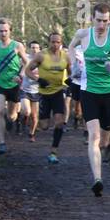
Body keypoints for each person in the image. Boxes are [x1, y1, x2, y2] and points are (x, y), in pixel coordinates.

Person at [67, 4, 110, 196]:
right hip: (88, 91)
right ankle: (97, 179)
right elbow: (71, 47)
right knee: (94, 137)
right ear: (92, 19)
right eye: (98, 20)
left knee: (104, 140)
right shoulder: (83, 34)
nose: (102, 24)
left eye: (105, 21)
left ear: (109, 19)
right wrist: (74, 63)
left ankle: (107, 150)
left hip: (109, 93)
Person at [26, 32, 71, 164]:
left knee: (59, 122)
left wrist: (69, 82)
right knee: (44, 126)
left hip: (58, 92)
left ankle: (53, 152)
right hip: (44, 94)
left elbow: (70, 72)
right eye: (53, 42)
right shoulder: (41, 56)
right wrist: (38, 79)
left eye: (58, 42)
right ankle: (41, 119)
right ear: (48, 42)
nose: (55, 44)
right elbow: (28, 71)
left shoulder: (66, 57)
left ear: (61, 43)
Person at [0, 19, 29, 155]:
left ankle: (12, 121)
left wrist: (21, 75)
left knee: (11, 115)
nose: (3, 33)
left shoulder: (17, 46)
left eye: (5, 31)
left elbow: (26, 62)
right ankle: (2, 143)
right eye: (0, 31)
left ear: (10, 31)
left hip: (14, 84)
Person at [18, 41, 42, 139]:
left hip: (37, 91)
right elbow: (18, 70)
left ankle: (31, 133)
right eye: (32, 47)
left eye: (36, 47)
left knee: (35, 116)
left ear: (39, 49)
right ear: (29, 49)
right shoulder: (25, 59)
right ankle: (23, 121)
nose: (34, 49)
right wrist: (18, 77)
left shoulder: (43, 61)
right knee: (27, 111)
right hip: (25, 89)